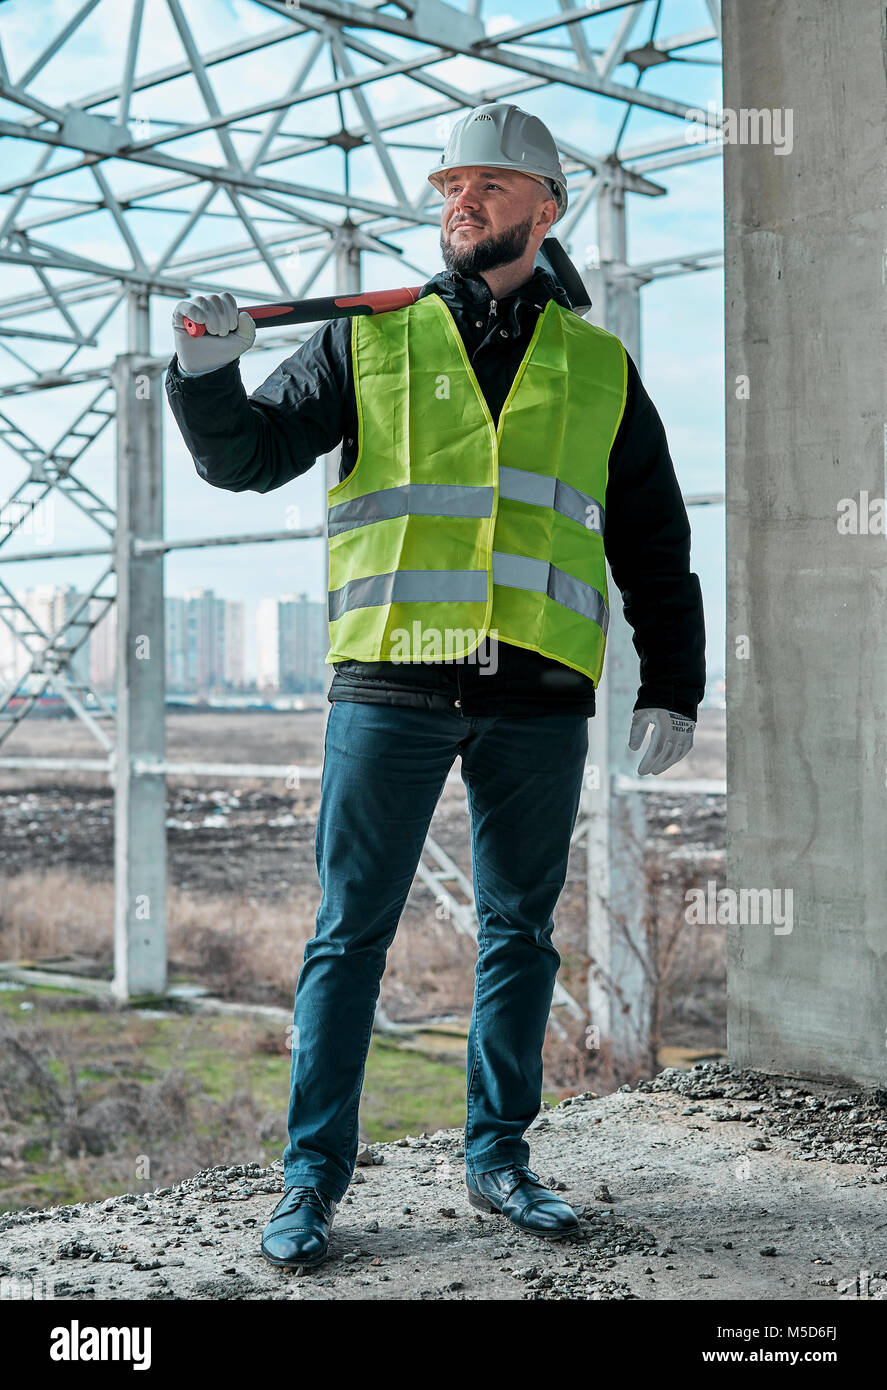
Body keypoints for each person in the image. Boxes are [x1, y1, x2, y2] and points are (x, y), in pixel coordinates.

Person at [165, 102, 706, 1270]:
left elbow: (652, 545)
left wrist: (674, 680)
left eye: (488, 185)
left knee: (517, 931)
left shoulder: (598, 367)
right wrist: (206, 374)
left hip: (538, 695)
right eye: (448, 184)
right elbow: (248, 457)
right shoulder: (370, 339)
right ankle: (311, 1179)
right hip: (388, 688)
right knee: (347, 934)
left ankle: (498, 1158)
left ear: (543, 209)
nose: (461, 199)